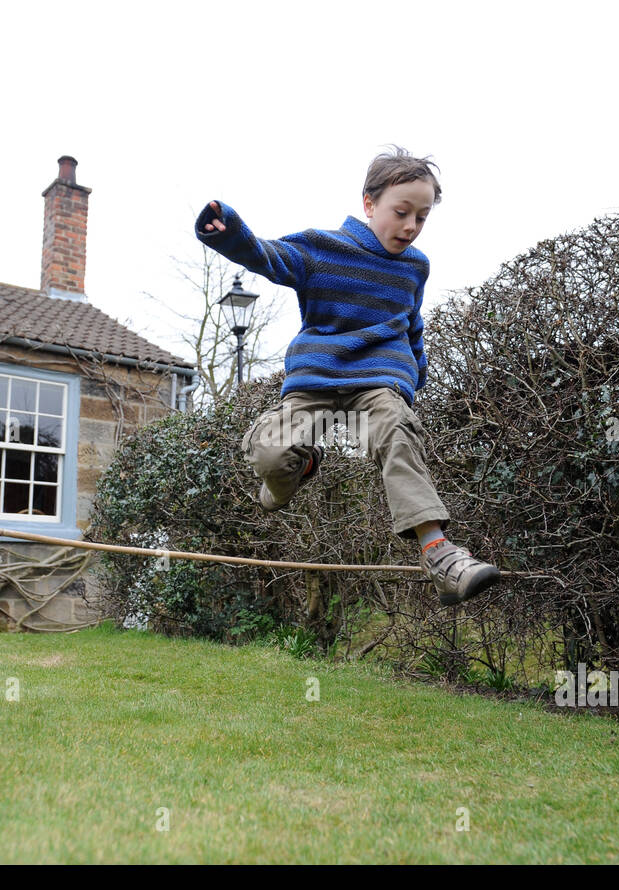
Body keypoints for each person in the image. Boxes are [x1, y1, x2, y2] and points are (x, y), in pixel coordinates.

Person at [194, 147, 499, 605]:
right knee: (272, 454)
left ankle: (440, 554)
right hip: (317, 381)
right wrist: (230, 234)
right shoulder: (324, 249)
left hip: (379, 382)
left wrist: (415, 377)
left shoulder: (415, 266)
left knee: (396, 432)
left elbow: (411, 324)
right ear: (369, 204)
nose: (411, 226)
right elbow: (270, 257)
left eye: (422, 217)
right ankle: (294, 474)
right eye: (402, 212)